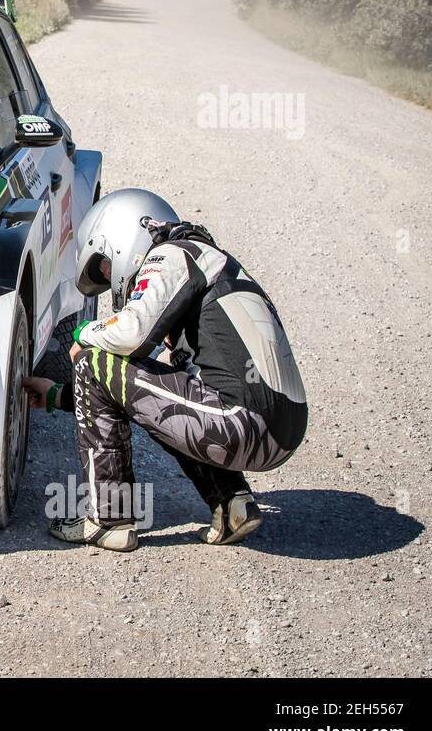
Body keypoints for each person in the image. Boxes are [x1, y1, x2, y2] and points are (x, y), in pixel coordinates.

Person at [23, 188, 308, 552]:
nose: (111, 278)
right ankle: (231, 503)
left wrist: (84, 333)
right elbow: (142, 390)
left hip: (241, 424)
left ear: (126, 235)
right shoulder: (211, 262)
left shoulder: (172, 255)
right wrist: (58, 395)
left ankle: (109, 520)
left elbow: (130, 336)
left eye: (105, 264)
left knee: (95, 361)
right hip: (281, 428)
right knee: (154, 380)